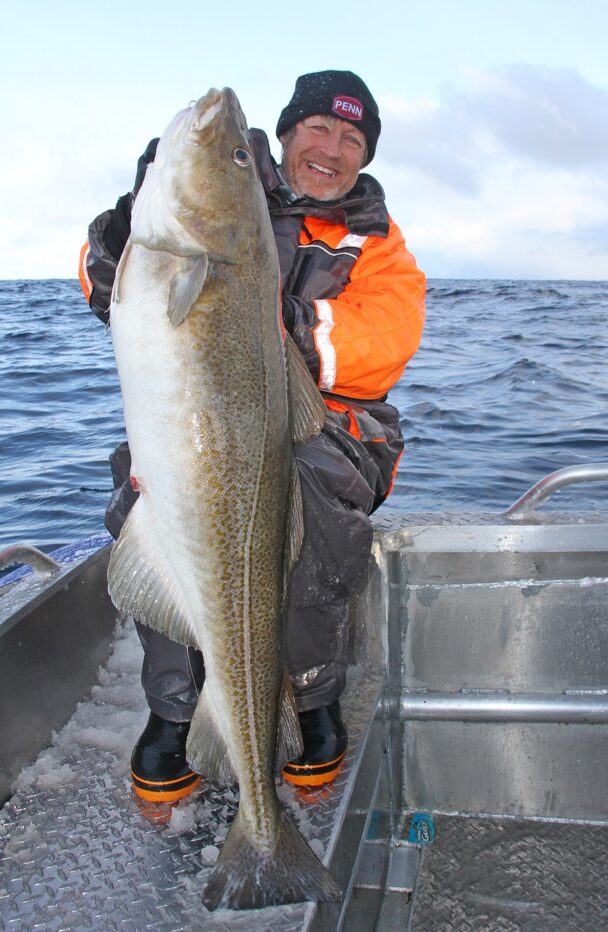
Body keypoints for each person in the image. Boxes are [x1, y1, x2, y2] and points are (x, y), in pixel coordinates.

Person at [79, 70, 425, 803]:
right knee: (144, 492)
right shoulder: (226, 210)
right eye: (320, 129)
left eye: (353, 139)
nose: (332, 149)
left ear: (365, 157)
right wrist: (119, 234)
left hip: (338, 428)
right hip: (213, 418)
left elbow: (386, 340)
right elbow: (102, 287)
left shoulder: (376, 242)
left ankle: (308, 692)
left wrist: (284, 324)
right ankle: (179, 708)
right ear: (291, 130)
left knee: (314, 488)